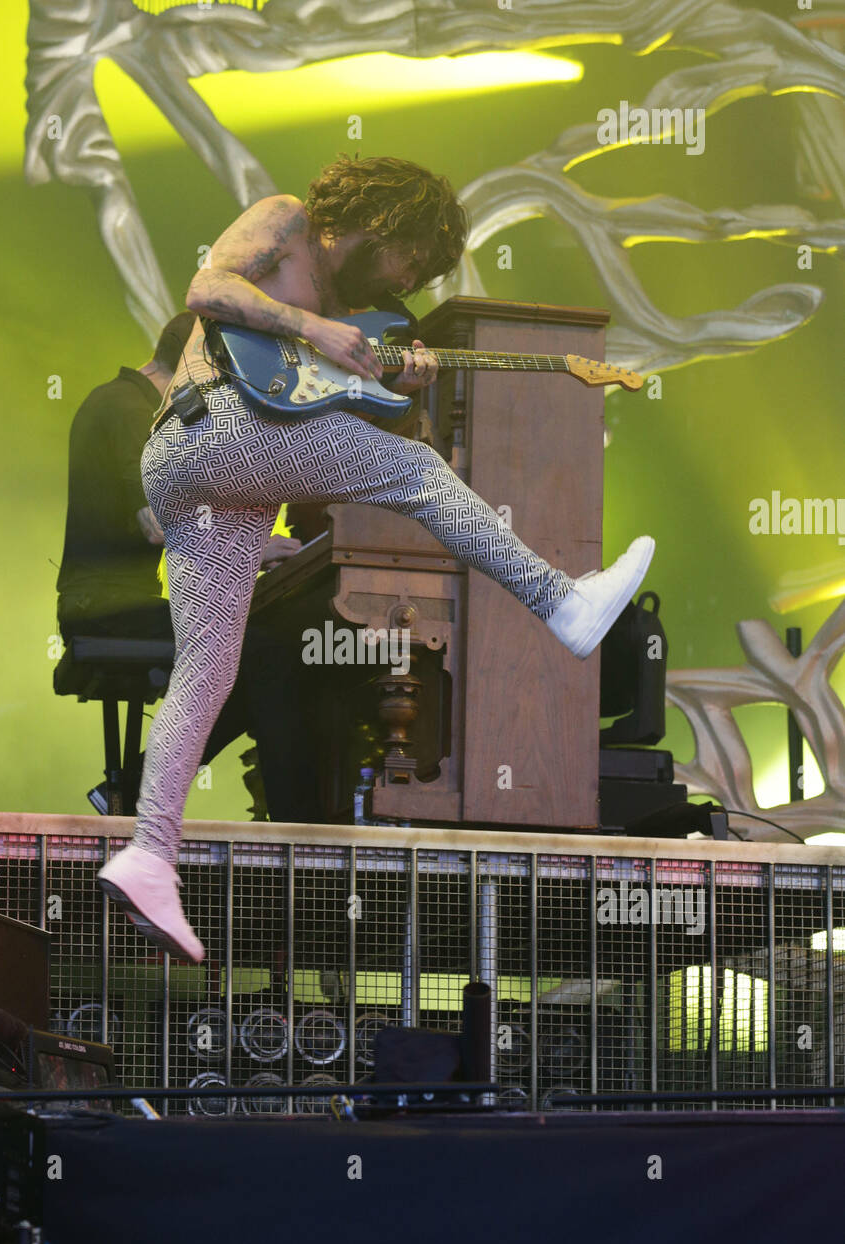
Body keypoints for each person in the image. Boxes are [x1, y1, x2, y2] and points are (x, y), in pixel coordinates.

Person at [98, 154, 655, 963]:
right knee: (423, 476)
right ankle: (561, 604)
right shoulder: (285, 221)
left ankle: (151, 853)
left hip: (214, 478)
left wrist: (405, 379)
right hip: (211, 431)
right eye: (411, 260)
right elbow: (207, 291)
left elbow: (316, 408)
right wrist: (315, 327)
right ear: (384, 224)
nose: (409, 279)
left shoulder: (354, 318)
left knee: (210, 671)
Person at [55, 312, 322, 820]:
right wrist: (254, 547)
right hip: (103, 607)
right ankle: (301, 827)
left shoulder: (131, 407)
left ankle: (136, 785)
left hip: (111, 600)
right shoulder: (127, 409)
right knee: (264, 655)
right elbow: (156, 522)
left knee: (255, 652)